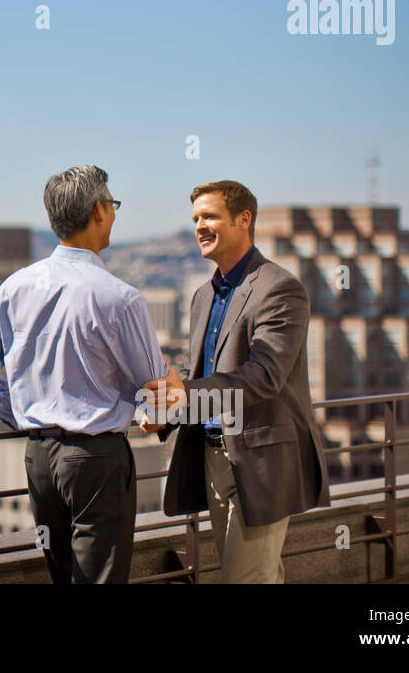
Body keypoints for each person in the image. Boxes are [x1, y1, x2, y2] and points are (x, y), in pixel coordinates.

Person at [0, 164, 168, 583]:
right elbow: (156, 388)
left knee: (61, 575)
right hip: (95, 459)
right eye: (113, 204)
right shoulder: (120, 298)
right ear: (98, 211)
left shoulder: (16, 286)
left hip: (39, 458)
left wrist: (22, 416)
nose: (114, 213)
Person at [142, 180, 330, 583]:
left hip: (259, 462)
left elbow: (264, 377)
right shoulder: (202, 297)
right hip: (213, 459)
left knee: (245, 579)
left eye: (209, 216)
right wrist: (166, 414)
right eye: (195, 218)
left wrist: (181, 398)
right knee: (258, 575)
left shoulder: (279, 288)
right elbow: (200, 380)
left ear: (244, 220)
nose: (199, 226)